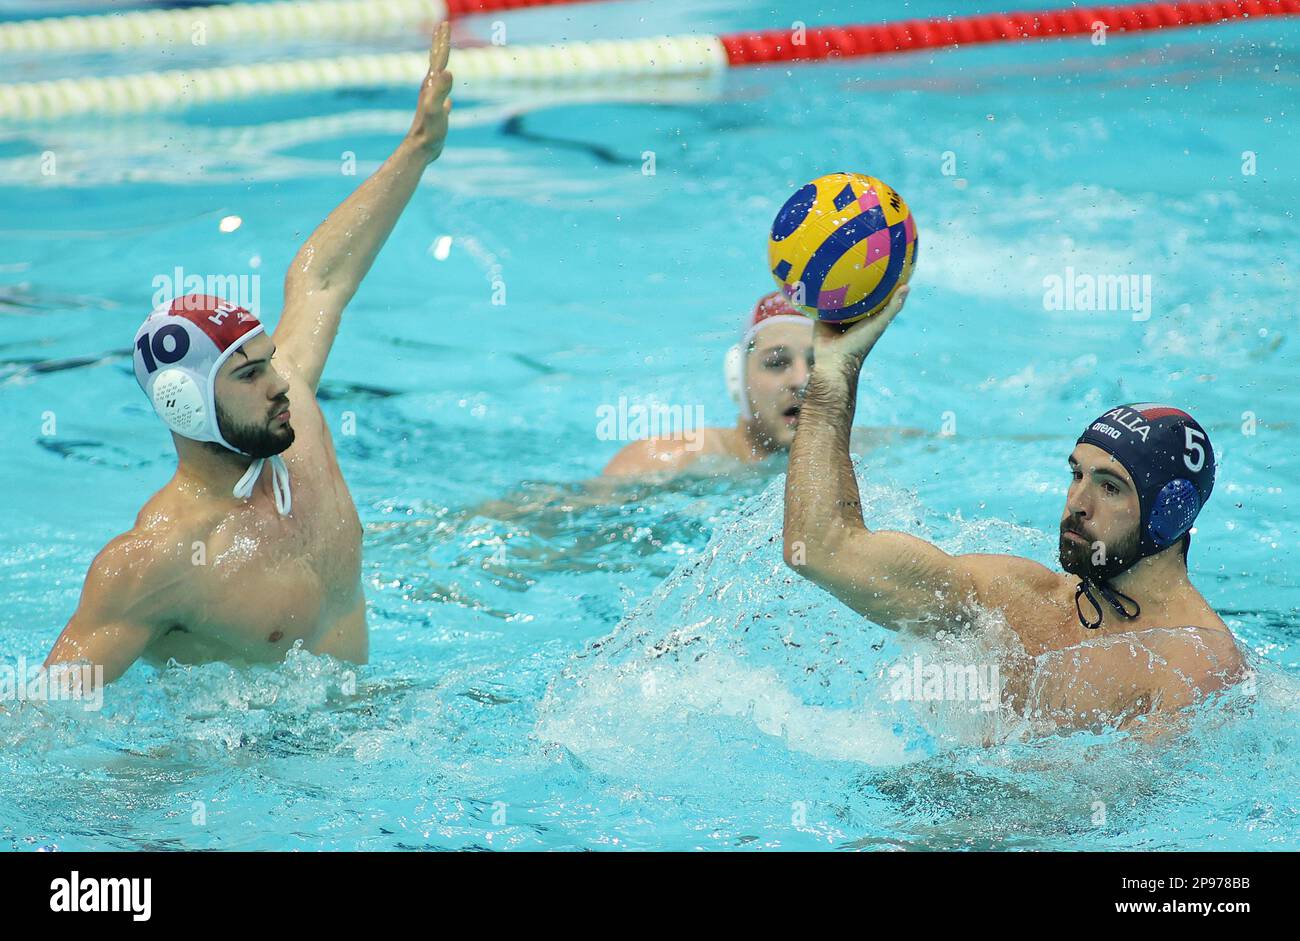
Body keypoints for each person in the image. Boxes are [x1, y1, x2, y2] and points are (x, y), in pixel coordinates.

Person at [42, 24, 456, 686]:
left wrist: (417, 150)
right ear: (186, 402)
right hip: (255, 771)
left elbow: (321, 279)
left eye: (267, 359)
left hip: (371, 725)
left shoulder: (299, 426)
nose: (280, 380)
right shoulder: (158, 561)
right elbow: (44, 711)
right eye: (249, 372)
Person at [783, 285, 1244, 731]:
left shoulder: (1197, 665)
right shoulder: (1020, 603)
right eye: (1077, 475)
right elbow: (824, 550)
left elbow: (1113, 804)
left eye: (1110, 487)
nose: (1077, 503)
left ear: (1170, 514)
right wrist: (832, 378)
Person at [603, 290, 915, 477]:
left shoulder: (874, 450)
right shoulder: (669, 460)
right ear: (737, 379)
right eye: (776, 363)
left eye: (816, 362)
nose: (801, 380)